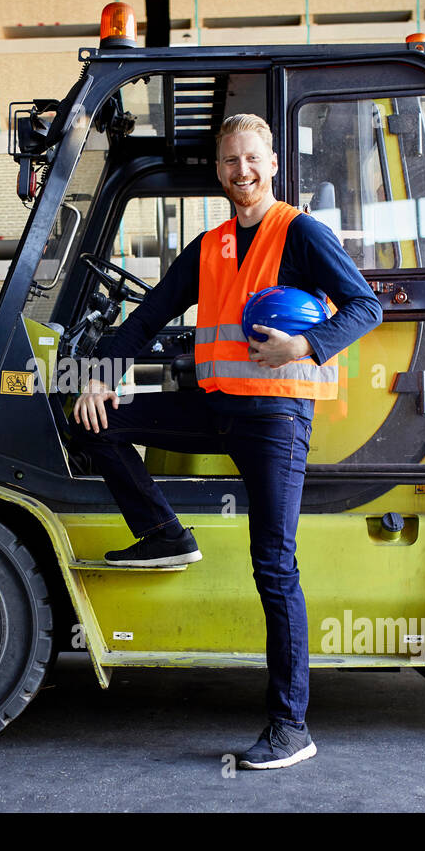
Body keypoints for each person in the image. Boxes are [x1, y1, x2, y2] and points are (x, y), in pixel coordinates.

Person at [69, 112, 382, 770]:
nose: (241, 171)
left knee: (273, 567)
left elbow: (366, 305)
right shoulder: (210, 247)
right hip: (217, 408)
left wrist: (306, 344)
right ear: (218, 171)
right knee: (97, 422)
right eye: (230, 161)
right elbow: (150, 313)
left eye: (252, 159)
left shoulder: (300, 233)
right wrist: (96, 379)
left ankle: (290, 728)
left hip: (274, 417)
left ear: (271, 164)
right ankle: (162, 532)